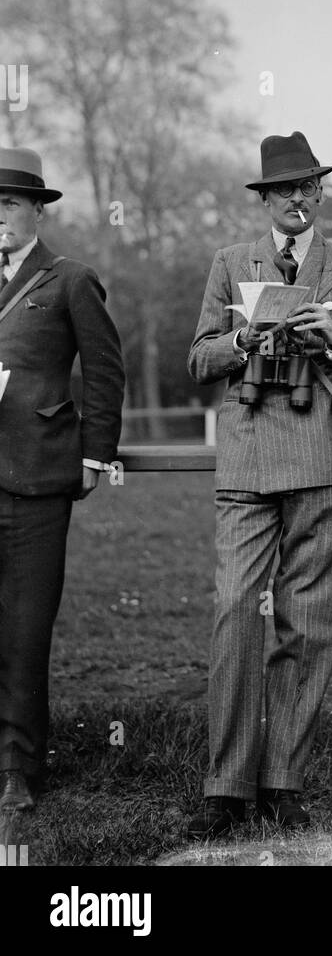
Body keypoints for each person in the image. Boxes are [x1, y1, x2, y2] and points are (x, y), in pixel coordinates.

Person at [185, 131, 332, 839]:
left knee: (309, 624)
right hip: (247, 459)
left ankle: (283, 780)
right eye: (284, 190)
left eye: (308, 187)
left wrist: (331, 342)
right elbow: (199, 358)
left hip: (325, 458)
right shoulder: (229, 263)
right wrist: (246, 340)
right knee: (236, 609)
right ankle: (227, 783)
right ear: (264, 199)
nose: (298, 199)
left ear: (320, 193)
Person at [0, 146, 124, 813]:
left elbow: (105, 372)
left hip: (39, 476)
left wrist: (94, 453)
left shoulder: (69, 278)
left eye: (10, 203)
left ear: (37, 211)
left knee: (24, 627)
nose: (0, 216)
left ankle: (19, 770)